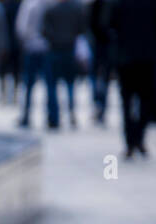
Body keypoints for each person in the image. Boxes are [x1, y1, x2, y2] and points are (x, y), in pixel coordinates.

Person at [110, 0, 156, 157]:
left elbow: (109, 27)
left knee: (127, 101)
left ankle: (130, 140)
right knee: (146, 99)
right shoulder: (154, 4)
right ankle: (139, 136)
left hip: (126, 58)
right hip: (147, 58)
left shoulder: (120, 4)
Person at [41, 0, 87, 128]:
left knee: (52, 85)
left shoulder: (51, 10)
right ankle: (71, 111)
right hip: (70, 49)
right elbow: (81, 30)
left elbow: (45, 31)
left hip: (54, 50)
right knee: (70, 83)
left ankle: (54, 117)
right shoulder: (76, 9)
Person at [15, 0, 56, 127]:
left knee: (28, 84)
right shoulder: (52, 4)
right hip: (48, 47)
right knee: (50, 84)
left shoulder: (29, 4)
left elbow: (21, 27)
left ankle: (26, 115)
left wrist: (26, 41)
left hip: (31, 47)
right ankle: (53, 117)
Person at [89, 0, 115, 124]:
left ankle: (98, 104)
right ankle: (100, 106)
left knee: (96, 77)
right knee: (103, 79)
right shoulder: (112, 4)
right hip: (108, 46)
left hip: (99, 46)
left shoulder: (95, 5)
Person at [0, 0, 23, 100]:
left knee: (4, 69)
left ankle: (4, 93)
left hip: (5, 41)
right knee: (16, 70)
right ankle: (15, 93)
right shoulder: (21, 6)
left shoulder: (4, 6)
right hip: (17, 42)